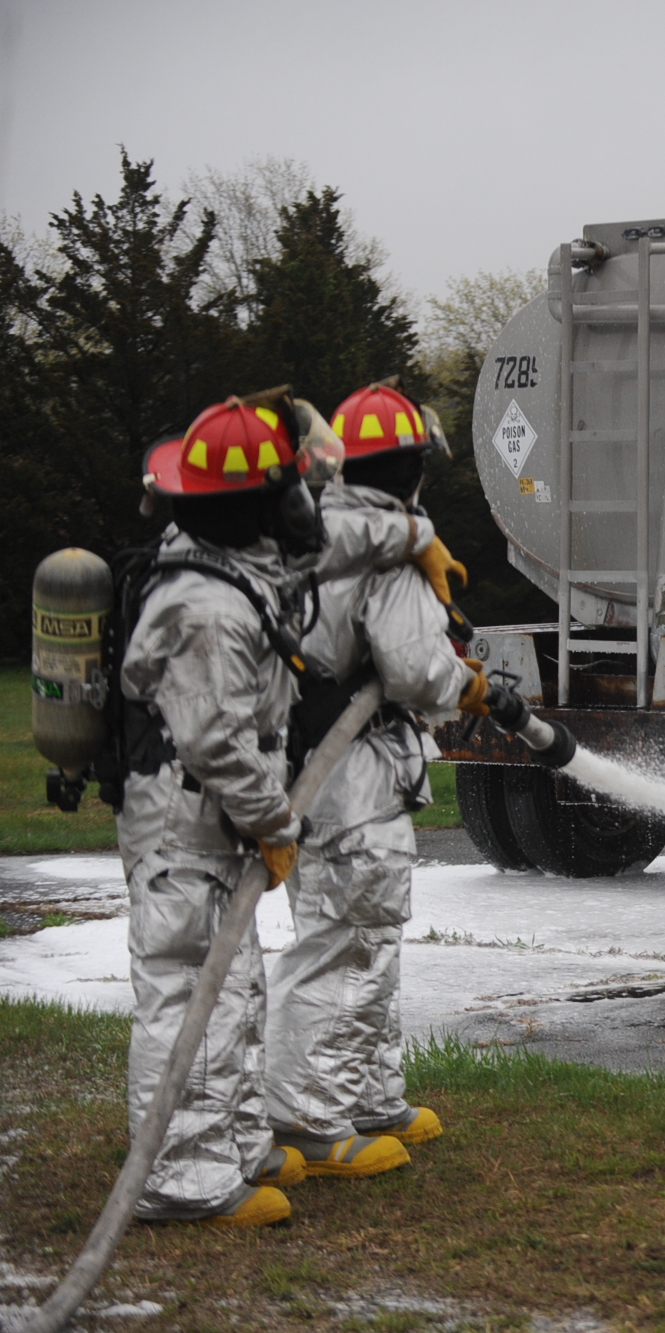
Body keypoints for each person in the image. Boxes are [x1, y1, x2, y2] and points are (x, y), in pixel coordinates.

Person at [120, 392, 458, 1227]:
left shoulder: (246, 559)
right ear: (251, 504)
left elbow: (340, 537)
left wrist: (417, 535)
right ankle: (183, 1180)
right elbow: (215, 743)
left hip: (215, 814)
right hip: (184, 816)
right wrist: (276, 824)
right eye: (288, 491)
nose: (304, 505)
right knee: (191, 988)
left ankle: (235, 1147)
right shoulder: (203, 608)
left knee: (233, 985)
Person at [264, 380, 488, 1172]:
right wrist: (463, 683)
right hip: (353, 776)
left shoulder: (315, 530)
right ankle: (311, 1125)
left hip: (315, 773)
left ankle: (369, 1100)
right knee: (347, 946)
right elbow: (413, 669)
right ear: (411, 466)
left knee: (363, 943)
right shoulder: (390, 550)